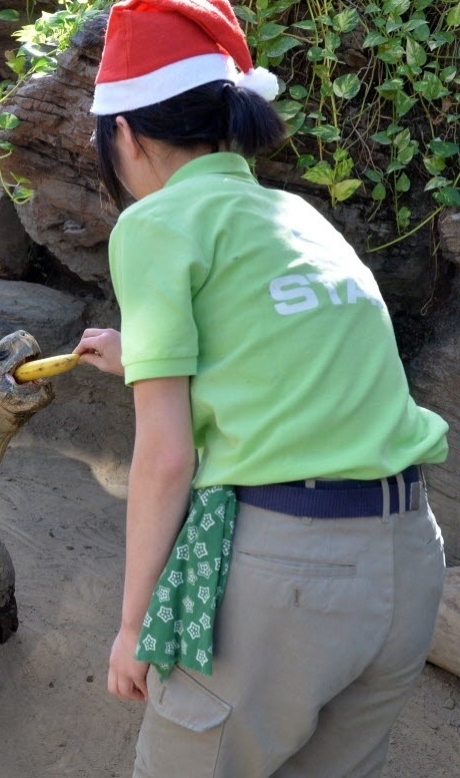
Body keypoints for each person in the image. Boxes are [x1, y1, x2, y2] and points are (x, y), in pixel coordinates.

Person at [72, 0, 450, 775]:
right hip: (407, 559)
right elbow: (286, 353)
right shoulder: (295, 216)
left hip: (292, 578)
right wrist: (139, 353)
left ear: (123, 134)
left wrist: (136, 624)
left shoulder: (154, 224)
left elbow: (166, 459)